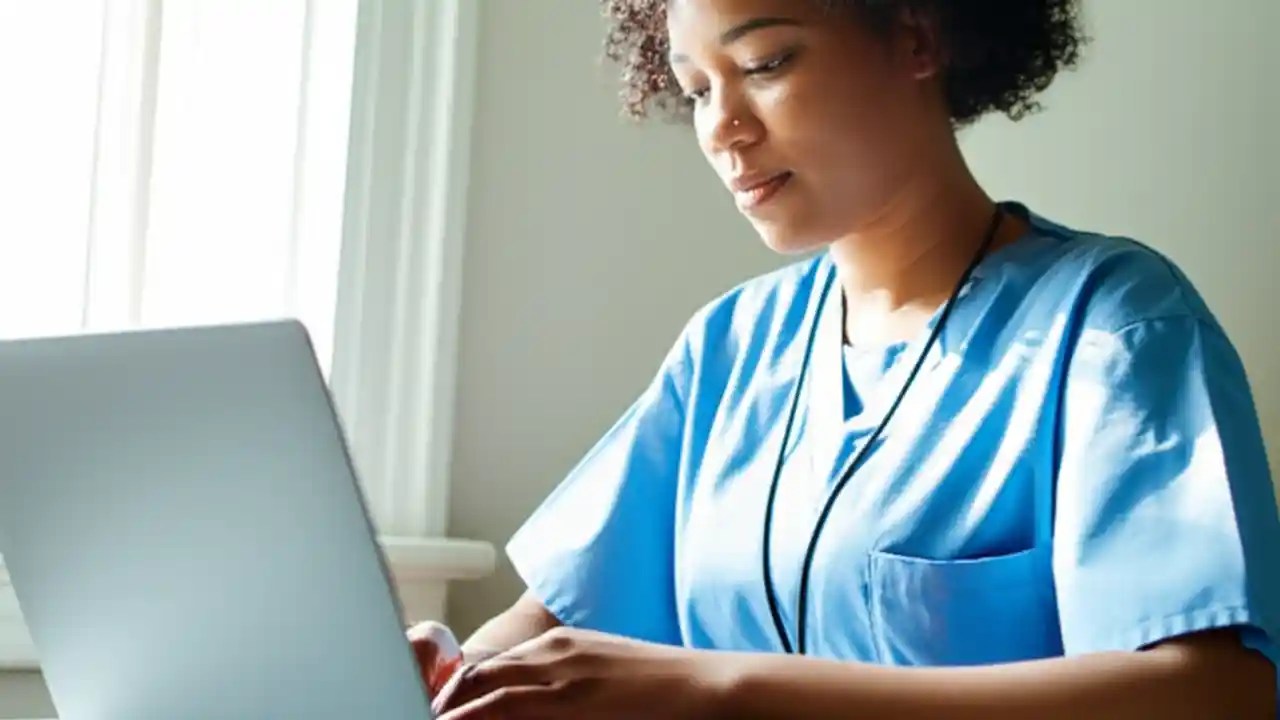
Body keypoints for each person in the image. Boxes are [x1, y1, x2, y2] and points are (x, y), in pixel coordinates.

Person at [411, 0, 1280, 717]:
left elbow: (1212, 692)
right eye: (696, 88)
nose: (724, 128)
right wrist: (444, 670)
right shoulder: (731, 347)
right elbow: (546, 622)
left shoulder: (1111, 328)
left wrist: (721, 691)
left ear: (917, 35)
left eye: (765, 65)